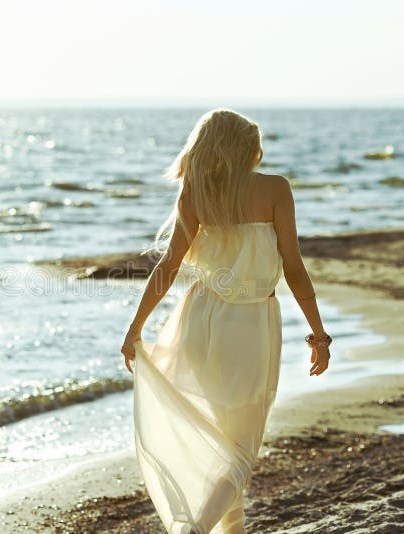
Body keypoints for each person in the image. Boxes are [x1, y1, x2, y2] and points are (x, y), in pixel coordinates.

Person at [120, 108, 332, 533]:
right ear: (243, 148)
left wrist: (135, 328)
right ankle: (195, 530)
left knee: (226, 443)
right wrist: (318, 332)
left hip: (198, 320)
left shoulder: (196, 192)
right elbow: (293, 266)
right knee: (240, 449)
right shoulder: (275, 189)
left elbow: (168, 266)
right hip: (251, 325)